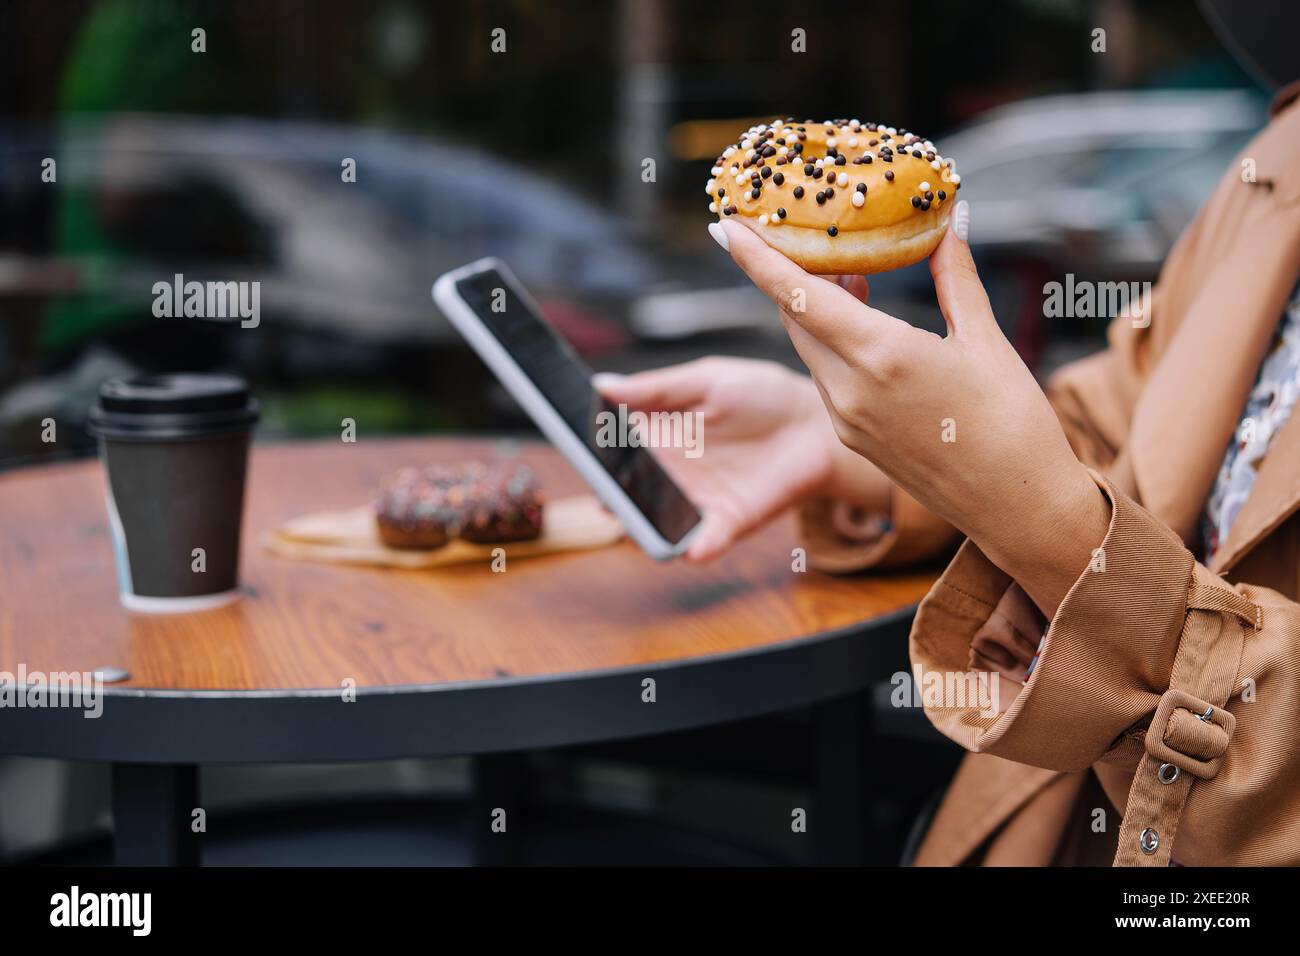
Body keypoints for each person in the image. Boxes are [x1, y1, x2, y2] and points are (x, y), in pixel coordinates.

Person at [595, 76, 1300, 866]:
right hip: (1049, 810)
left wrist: (1052, 530)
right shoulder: (1282, 156)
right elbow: (1120, 432)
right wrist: (857, 451)